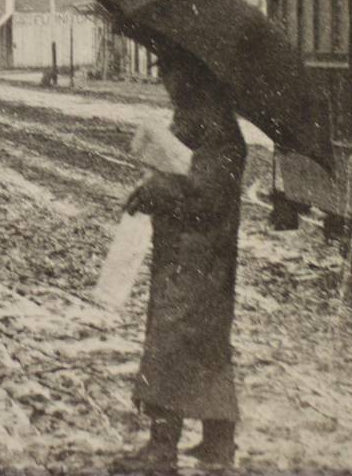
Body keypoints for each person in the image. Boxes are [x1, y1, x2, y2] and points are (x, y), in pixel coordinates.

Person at [113, 47, 247, 470]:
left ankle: (161, 450)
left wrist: (158, 192)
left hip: (199, 255)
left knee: (171, 343)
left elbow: (206, 196)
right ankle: (218, 444)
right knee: (208, 347)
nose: (164, 82)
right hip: (190, 253)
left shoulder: (218, 131)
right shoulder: (196, 123)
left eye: (169, 71)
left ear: (194, 76)